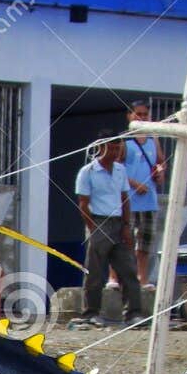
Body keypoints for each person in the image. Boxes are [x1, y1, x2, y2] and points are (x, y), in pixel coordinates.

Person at [70, 137, 142, 329]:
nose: (115, 152)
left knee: (128, 269)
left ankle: (133, 313)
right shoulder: (88, 172)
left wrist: (127, 225)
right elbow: (83, 203)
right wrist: (92, 227)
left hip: (119, 222)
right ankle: (91, 312)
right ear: (102, 148)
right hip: (99, 221)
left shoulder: (120, 170)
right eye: (111, 148)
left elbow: (125, 198)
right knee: (95, 271)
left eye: (118, 149)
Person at [124, 100, 165, 287]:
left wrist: (160, 173)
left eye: (145, 115)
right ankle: (118, 278)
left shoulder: (153, 139)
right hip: (128, 200)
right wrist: (134, 184)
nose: (141, 118)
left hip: (149, 200)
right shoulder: (124, 141)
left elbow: (161, 163)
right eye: (138, 114)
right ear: (129, 116)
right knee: (124, 242)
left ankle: (143, 278)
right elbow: (116, 170)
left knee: (145, 244)